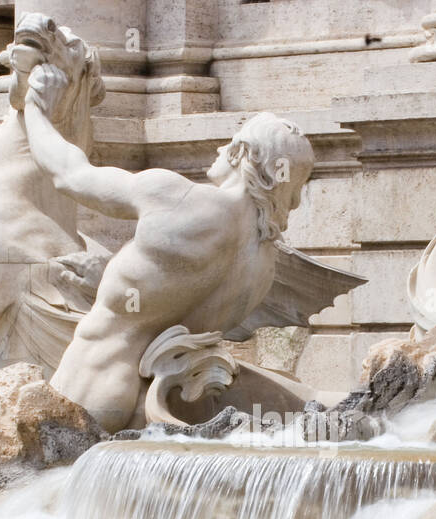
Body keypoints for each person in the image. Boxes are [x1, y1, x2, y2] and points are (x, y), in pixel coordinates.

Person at [23, 63, 315, 431]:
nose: (221, 148)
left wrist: (35, 108)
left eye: (231, 143)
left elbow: (69, 174)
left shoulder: (180, 198)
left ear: (244, 154)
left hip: (96, 387)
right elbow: (169, 309)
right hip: (171, 411)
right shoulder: (264, 263)